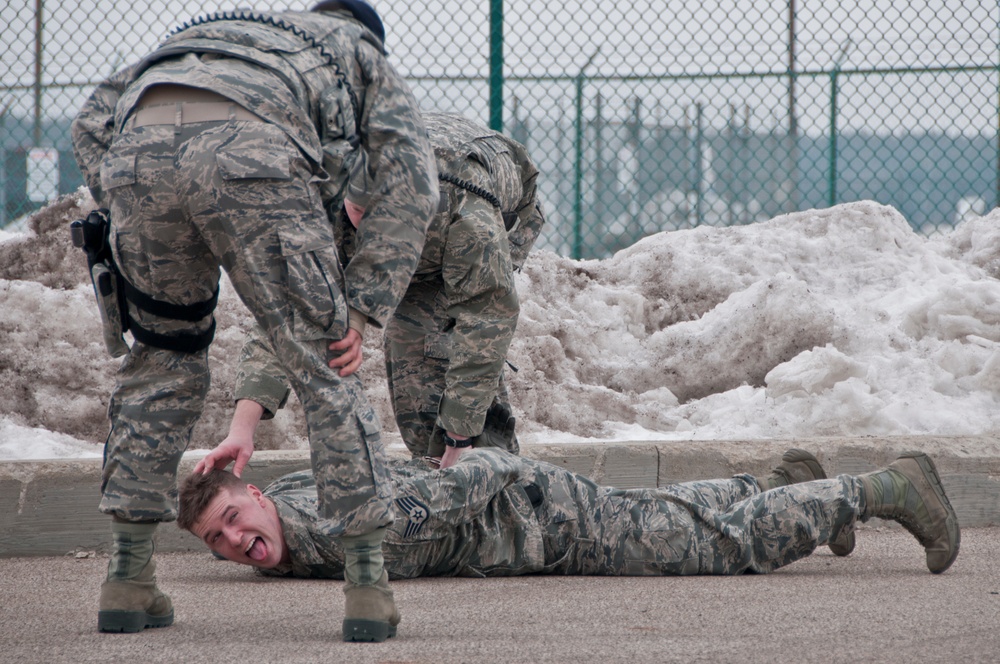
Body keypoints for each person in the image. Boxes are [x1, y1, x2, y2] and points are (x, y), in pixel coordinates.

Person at [69, 1, 437, 642]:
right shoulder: (359, 51)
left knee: (160, 356)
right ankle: (367, 590)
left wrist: (127, 202)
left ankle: (127, 579)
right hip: (254, 155)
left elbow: (90, 122)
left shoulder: (218, 33)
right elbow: (411, 182)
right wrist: (362, 307)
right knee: (327, 361)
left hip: (138, 156)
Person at [229, 112, 546, 469]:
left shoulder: (465, 210)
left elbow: (486, 316)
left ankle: (492, 470)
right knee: (411, 372)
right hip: (418, 230)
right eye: (360, 210)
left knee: (431, 343)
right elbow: (282, 314)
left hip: (498, 210)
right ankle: (435, 475)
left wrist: (460, 434)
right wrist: (241, 430)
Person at [177, 446, 960, 582]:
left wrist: (488, 468)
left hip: (541, 519)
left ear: (257, 494)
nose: (238, 541)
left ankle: (885, 488)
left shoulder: (329, 526)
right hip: (526, 514)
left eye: (235, 519)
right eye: (220, 542)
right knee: (658, 512)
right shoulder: (293, 508)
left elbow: (444, 490)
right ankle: (787, 484)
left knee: (718, 549)